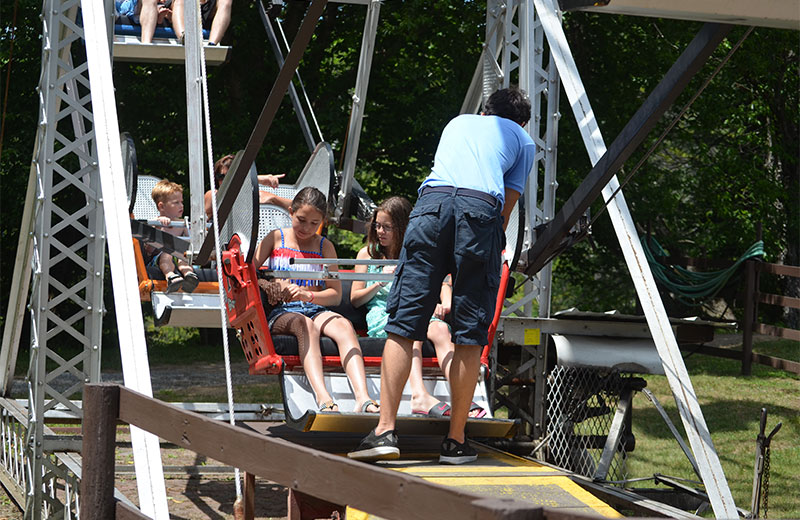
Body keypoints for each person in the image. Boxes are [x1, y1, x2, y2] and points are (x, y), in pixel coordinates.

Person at [347, 87, 535, 465]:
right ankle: (456, 441)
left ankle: (384, 431)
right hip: (481, 211)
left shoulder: (458, 123)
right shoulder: (524, 141)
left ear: (485, 112)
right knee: (468, 334)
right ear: (523, 122)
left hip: (430, 207)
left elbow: (449, 184)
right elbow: (506, 211)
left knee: (403, 325)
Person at [350, 197, 487, 418]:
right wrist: (378, 283)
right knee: (409, 330)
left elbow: (441, 281)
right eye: (377, 225)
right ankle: (419, 394)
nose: (380, 231)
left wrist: (445, 301)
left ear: (402, 227)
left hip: (411, 309)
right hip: (383, 312)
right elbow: (355, 299)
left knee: (442, 330)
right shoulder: (367, 254)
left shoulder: (415, 251)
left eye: (387, 227)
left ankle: (462, 395)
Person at [252, 186, 379, 414]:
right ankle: (323, 397)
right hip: (282, 311)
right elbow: (250, 274)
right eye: (301, 220)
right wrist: (269, 285)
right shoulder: (275, 238)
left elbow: (335, 294)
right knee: (305, 325)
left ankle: (363, 397)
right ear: (291, 212)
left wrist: (307, 295)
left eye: (314, 223)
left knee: (344, 325)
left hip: (313, 306)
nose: (306, 228)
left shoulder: (325, 247)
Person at [148, 179, 200, 293]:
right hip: (159, 259)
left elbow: (192, 244)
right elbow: (149, 250)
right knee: (167, 254)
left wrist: (191, 229)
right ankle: (170, 276)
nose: (181, 205)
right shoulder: (155, 223)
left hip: (179, 255)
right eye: (176, 203)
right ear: (161, 207)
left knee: (183, 255)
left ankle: (189, 276)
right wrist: (157, 229)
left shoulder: (182, 224)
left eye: (181, 202)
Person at [205, 153, 290, 219]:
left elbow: (295, 205)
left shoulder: (253, 197)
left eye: (230, 177)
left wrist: (272, 199)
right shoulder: (213, 196)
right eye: (221, 177)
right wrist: (257, 179)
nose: (224, 181)